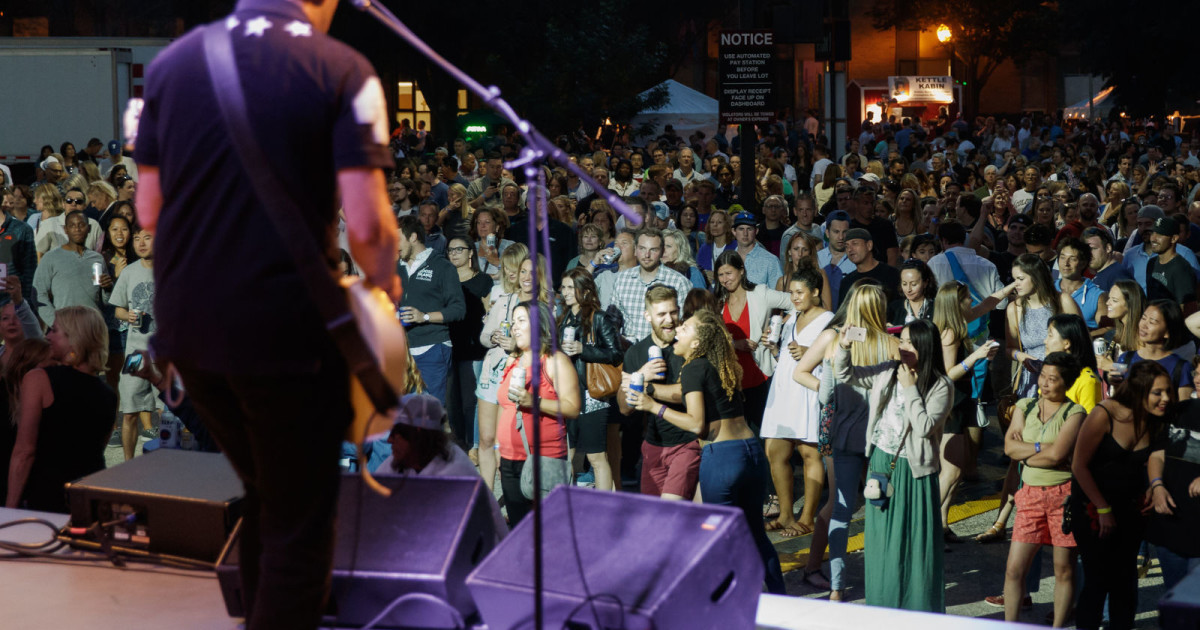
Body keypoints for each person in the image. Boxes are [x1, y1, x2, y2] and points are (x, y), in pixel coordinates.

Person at [135, 1, 402, 626]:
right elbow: (367, 226)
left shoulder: (171, 65)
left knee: (267, 497)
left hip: (188, 334)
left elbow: (148, 208)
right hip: (284, 334)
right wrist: (384, 283)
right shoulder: (343, 68)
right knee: (301, 528)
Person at [627, 309, 786, 595]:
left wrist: (653, 407)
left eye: (685, 328)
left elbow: (696, 424)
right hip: (751, 452)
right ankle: (780, 600)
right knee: (757, 536)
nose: (677, 329)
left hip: (722, 458)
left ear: (698, 342)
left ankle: (726, 606)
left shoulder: (693, 367)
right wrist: (651, 391)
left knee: (719, 540)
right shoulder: (718, 364)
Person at [834, 318, 952, 612]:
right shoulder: (888, 371)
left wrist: (910, 388)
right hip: (881, 463)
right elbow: (846, 374)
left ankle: (918, 610)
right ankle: (882, 606)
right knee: (881, 542)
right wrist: (844, 346)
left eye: (911, 342)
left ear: (926, 347)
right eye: (902, 340)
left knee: (913, 544)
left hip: (914, 471)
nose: (903, 346)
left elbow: (925, 427)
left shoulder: (941, 385)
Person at [804, 282, 899, 599]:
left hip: (843, 435)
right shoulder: (892, 344)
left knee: (841, 509)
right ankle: (884, 578)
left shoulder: (836, 343)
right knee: (882, 505)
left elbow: (825, 396)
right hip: (882, 438)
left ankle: (836, 587)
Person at [1070, 361, 1171, 630]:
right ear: (1138, 390)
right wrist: (1102, 509)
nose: (1165, 399)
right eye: (1158, 392)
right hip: (1092, 508)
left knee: (1125, 583)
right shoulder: (1105, 413)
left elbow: (1155, 457)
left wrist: (1152, 486)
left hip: (1131, 510)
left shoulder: (1157, 418)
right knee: (1097, 581)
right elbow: (1078, 465)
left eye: (1168, 392)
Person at [1000, 352, 1086, 627]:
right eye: (1043, 376)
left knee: (1064, 570)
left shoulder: (1075, 413)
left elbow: (1057, 455)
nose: (1044, 383)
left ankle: (1058, 625)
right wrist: (1041, 448)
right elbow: (1009, 448)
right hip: (1030, 495)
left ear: (1067, 383)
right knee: (1014, 570)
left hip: (1064, 497)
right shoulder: (1024, 406)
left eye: (1053, 379)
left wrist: (1026, 454)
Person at [6, 306, 117, 512]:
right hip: (92, 498)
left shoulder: (39, 379)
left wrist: (10, 510)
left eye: (54, 330)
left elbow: (24, 452)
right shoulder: (109, 394)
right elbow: (96, 450)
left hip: (48, 498)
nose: (47, 336)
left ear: (74, 338)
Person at [760, 266, 833, 537]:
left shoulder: (829, 320)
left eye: (800, 292)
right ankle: (786, 514)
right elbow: (785, 357)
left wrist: (810, 352)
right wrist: (774, 349)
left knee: (810, 454)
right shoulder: (790, 318)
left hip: (808, 391)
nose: (794, 298)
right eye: (791, 293)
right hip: (783, 390)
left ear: (815, 292)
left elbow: (838, 357)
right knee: (775, 453)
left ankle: (807, 518)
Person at [376, 393, 507, 542]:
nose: (389, 439)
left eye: (396, 433)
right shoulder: (399, 462)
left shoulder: (456, 475)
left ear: (417, 435)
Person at [497, 300, 579, 524]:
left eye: (521, 321)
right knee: (519, 529)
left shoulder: (554, 361)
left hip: (544, 460)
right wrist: (497, 448)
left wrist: (534, 402)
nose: (514, 327)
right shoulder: (513, 360)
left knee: (547, 529)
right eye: (513, 322)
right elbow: (504, 407)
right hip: (509, 460)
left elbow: (573, 407)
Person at [616, 286, 700, 500]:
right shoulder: (636, 352)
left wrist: (645, 386)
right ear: (647, 316)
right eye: (661, 314)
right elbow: (624, 408)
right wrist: (640, 375)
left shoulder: (687, 345)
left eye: (673, 312)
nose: (669, 320)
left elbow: (685, 393)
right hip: (654, 445)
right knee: (653, 513)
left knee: (672, 507)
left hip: (687, 442)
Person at [713, 250, 791, 433]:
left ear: (741, 270)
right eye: (720, 275)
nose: (724, 279)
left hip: (759, 376)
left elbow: (796, 303)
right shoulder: (718, 301)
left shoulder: (760, 293)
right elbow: (712, 338)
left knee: (760, 434)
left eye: (728, 273)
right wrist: (734, 344)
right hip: (729, 381)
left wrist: (777, 326)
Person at [558, 268, 622, 491]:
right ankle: (568, 500)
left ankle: (604, 502)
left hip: (592, 395)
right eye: (563, 287)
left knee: (596, 457)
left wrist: (583, 349)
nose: (565, 292)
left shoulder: (599, 318)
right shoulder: (564, 318)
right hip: (568, 394)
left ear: (585, 291)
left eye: (571, 287)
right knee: (567, 454)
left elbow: (616, 354)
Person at [396, 215, 466, 405]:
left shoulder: (442, 267)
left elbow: (458, 309)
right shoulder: (395, 268)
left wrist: (424, 316)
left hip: (432, 348)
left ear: (413, 237)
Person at [108, 227, 157, 461]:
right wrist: (126, 315)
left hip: (164, 353)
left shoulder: (171, 269)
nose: (141, 243)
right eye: (137, 239)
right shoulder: (129, 272)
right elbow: (117, 309)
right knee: (129, 412)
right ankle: (129, 464)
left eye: (147, 238)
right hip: (135, 354)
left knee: (169, 413)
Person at [1146, 389, 1200, 592]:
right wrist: (1157, 485)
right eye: (1197, 374)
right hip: (1171, 522)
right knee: (1174, 596)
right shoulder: (1178, 410)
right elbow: (1157, 454)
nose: (1198, 379)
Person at [1007, 254, 1083, 398]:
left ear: (1036, 277)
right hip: (1031, 381)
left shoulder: (1063, 301)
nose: (1016, 284)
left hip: (1062, 376)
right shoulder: (1014, 309)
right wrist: (1021, 356)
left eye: (1021, 279)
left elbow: (1081, 341)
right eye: (1014, 279)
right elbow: (1010, 348)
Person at [445, 236, 492, 453]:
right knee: (451, 402)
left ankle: (473, 446)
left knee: (469, 401)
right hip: (448, 345)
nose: (454, 253)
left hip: (473, 348)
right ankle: (459, 446)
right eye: (450, 250)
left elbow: (489, 313)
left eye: (459, 249)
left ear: (471, 252)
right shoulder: (445, 280)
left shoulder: (482, 281)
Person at [606, 227, 691, 343]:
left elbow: (686, 324)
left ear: (662, 252)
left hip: (666, 349)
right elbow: (613, 320)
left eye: (653, 250)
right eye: (642, 248)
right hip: (630, 349)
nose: (647, 255)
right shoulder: (622, 279)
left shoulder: (679, 282)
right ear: (635, 250)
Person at [32, 211, 113, 326]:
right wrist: (55, 322)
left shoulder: (97, 259)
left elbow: (105, 301)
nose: (77, 229)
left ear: (89, 228)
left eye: (81, 225)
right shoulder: (51, 258)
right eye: (72, 225)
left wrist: (108, 288)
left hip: (92, 327)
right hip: (65, 328)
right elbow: (37, 294)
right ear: (65, 229)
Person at [1113, 299, 1194, 401]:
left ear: (1167, 332)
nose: (1143, 325)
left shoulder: (1182, 367)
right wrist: (1113, 381)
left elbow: (1185, 407)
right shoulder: (1124, 358)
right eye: (1143, 318)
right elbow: (1116, 399)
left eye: (1152, 322)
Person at [837, 227, 901, 306]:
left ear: (869, 245)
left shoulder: (892, 274)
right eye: (846, 246)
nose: (850, 249)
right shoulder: (846, 282)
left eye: (855, 243)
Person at [887, 258, 937, 326]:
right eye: (904, 284)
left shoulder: (937, 307)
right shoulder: (893, 309)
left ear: (925, 283)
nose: (908, 289)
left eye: (914, 284)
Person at [470, 207, 513, 283]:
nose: (482, 226)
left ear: (497, 227)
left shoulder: (510, 247)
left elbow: (518, 272)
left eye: (487, 222)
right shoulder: (470, 248)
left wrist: (496, 262)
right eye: (479, 222)